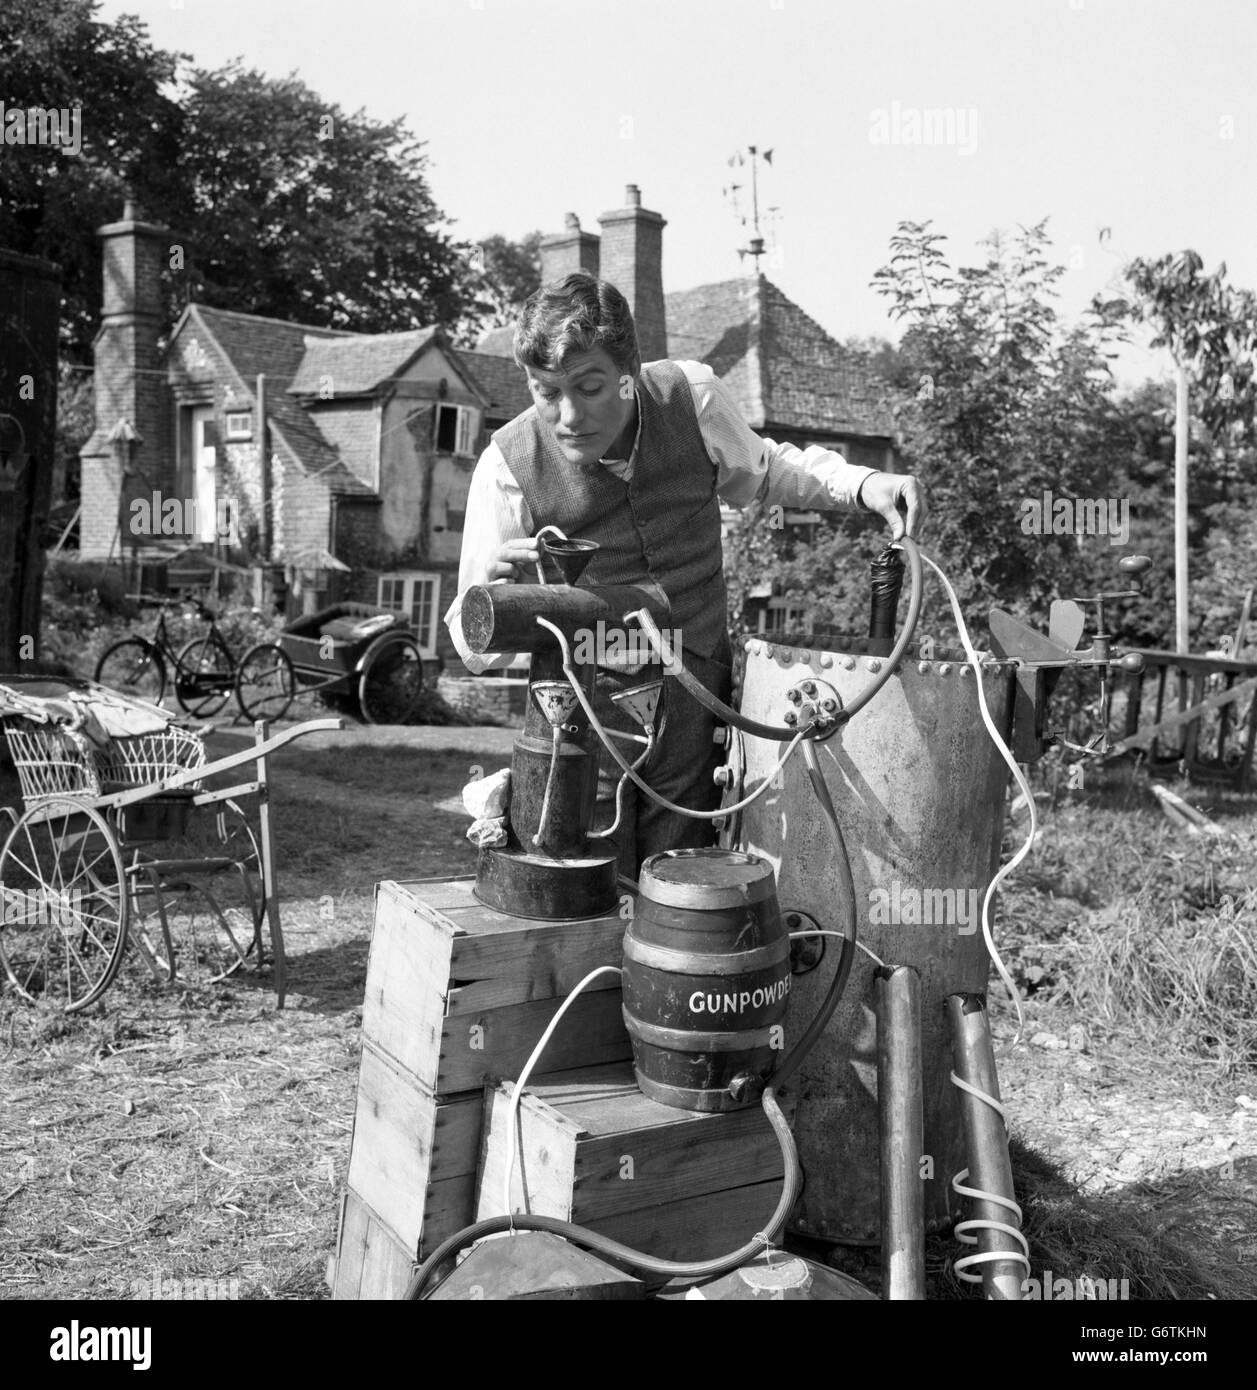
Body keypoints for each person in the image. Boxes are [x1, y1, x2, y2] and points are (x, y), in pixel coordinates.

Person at [444, 272, 927, 877]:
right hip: (585, 724)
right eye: (546, 393)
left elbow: (768, 472)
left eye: (590, 387)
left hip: (699, 703)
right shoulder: (505, 467)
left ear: (629, 370)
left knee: (687, 883)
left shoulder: (691, 398)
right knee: (590, 882)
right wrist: (489, 599)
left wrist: (863, 482)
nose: (568, 415)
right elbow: (468, 647)